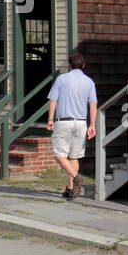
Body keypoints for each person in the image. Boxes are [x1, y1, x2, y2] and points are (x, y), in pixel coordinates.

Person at [45, 54, 98, 199]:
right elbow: (93, 105)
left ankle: (76, 177)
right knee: (74, 156)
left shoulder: (62, 79)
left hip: (64, 121)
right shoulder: (89, 82)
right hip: (81, 122)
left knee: (59, 155)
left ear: (69, 66)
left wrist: (50, 119)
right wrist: (92, 124)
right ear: (83, 65)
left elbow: (53, 101)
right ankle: (70, 188)